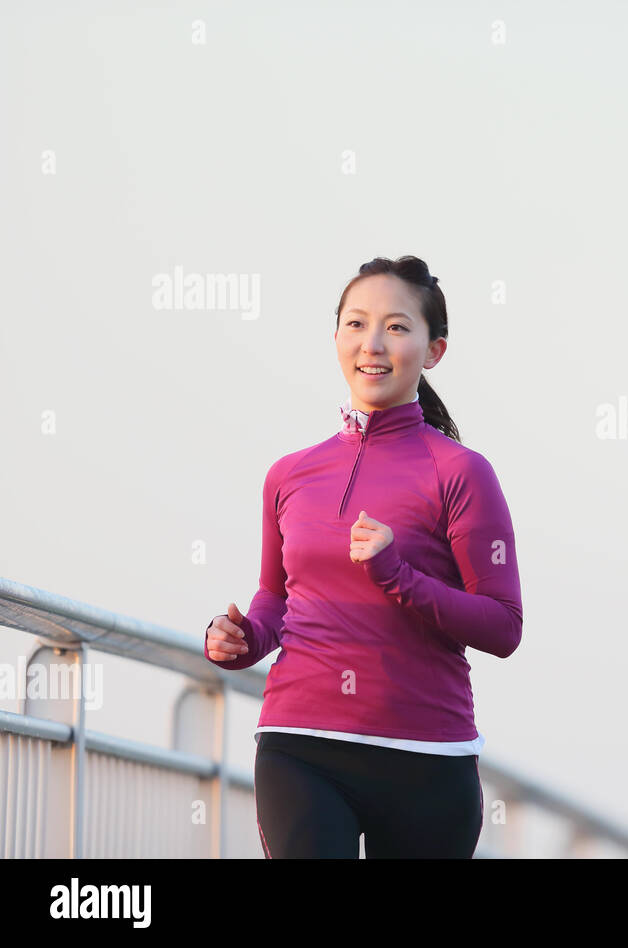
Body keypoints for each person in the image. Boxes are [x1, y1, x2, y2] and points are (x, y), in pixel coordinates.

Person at [202, 255, 523, 858]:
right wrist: (242, 636)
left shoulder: (461, 472)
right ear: (336, 337)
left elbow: (504, 626)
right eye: (356, 323)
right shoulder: (289, 474)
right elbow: (278, 599)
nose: (372, 343)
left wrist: (398, 577)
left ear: (434, 351)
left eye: (398, 327)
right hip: (301, 746)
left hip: (427, 760)